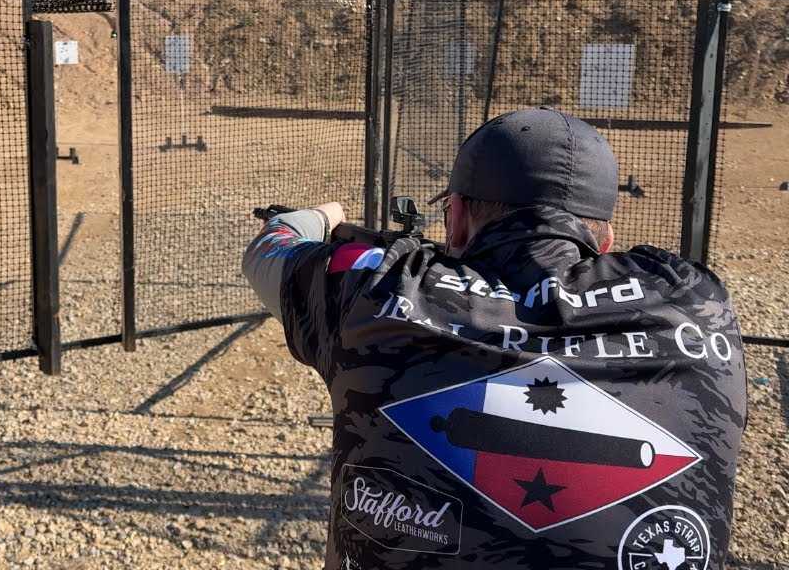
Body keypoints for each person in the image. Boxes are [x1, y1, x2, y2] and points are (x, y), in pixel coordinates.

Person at [242, 107, 746, 570]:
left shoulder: (373, 289)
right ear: (604, 239)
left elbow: (273, 245)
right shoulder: (698, 302)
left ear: (457, 220)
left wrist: (328, 217)